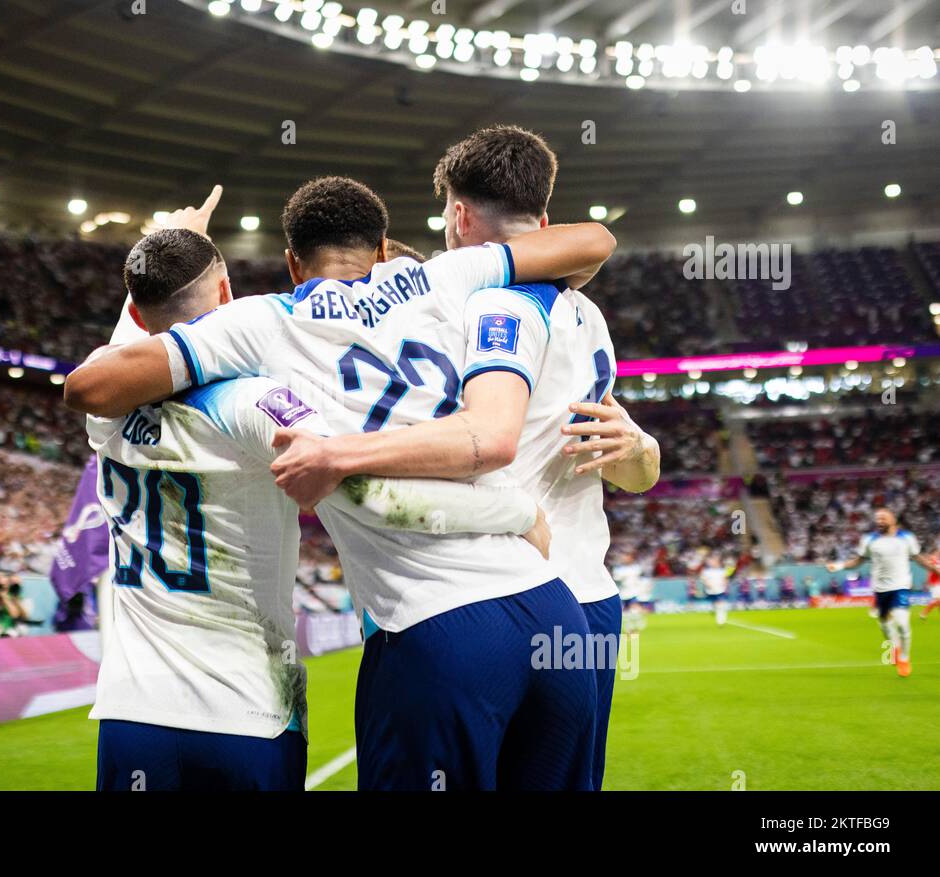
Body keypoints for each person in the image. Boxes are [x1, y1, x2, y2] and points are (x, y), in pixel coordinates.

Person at [66, 176, 615, 790]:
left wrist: (173, 249)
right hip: (551, 610)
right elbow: (594, 240)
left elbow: (91, 387)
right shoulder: (446, 275)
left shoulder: (264, 323)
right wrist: (518, 512)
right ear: (384, 248)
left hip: (433, 629)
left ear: (291, 262)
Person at [245, 126, 659, 789]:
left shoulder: (485, 304)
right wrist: (642, 448)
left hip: (498, 592)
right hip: (590, 602)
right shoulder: (587, 312)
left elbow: (484, 437)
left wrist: (339, 452)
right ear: (544, 222)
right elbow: (632, 471)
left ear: (459, 216)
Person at [827, 507, 940, 677]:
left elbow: (918, 558)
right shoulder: (869, 540)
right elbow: (858, 561)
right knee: (885, 625)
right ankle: (893, 647)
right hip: (880, 589)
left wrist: (935, 570)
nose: (879, 522)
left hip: (901, 586)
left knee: (902, 624)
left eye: (883, 518)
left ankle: (904, 658)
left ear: (893, 520)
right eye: (877, 519)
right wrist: (839, 565)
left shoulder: (907, 538)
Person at [700, 555, 730, 626]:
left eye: (714, 561)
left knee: (720, 604)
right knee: (715, 604)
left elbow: (725, 578)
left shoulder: (722, 570)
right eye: (711, 562)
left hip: (720, 590)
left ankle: (720, 621)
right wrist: (708, 584)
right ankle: (714, 609)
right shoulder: (706, 571)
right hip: (710, 591)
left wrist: (725, 585)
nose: (712, 563)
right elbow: (704, 579)